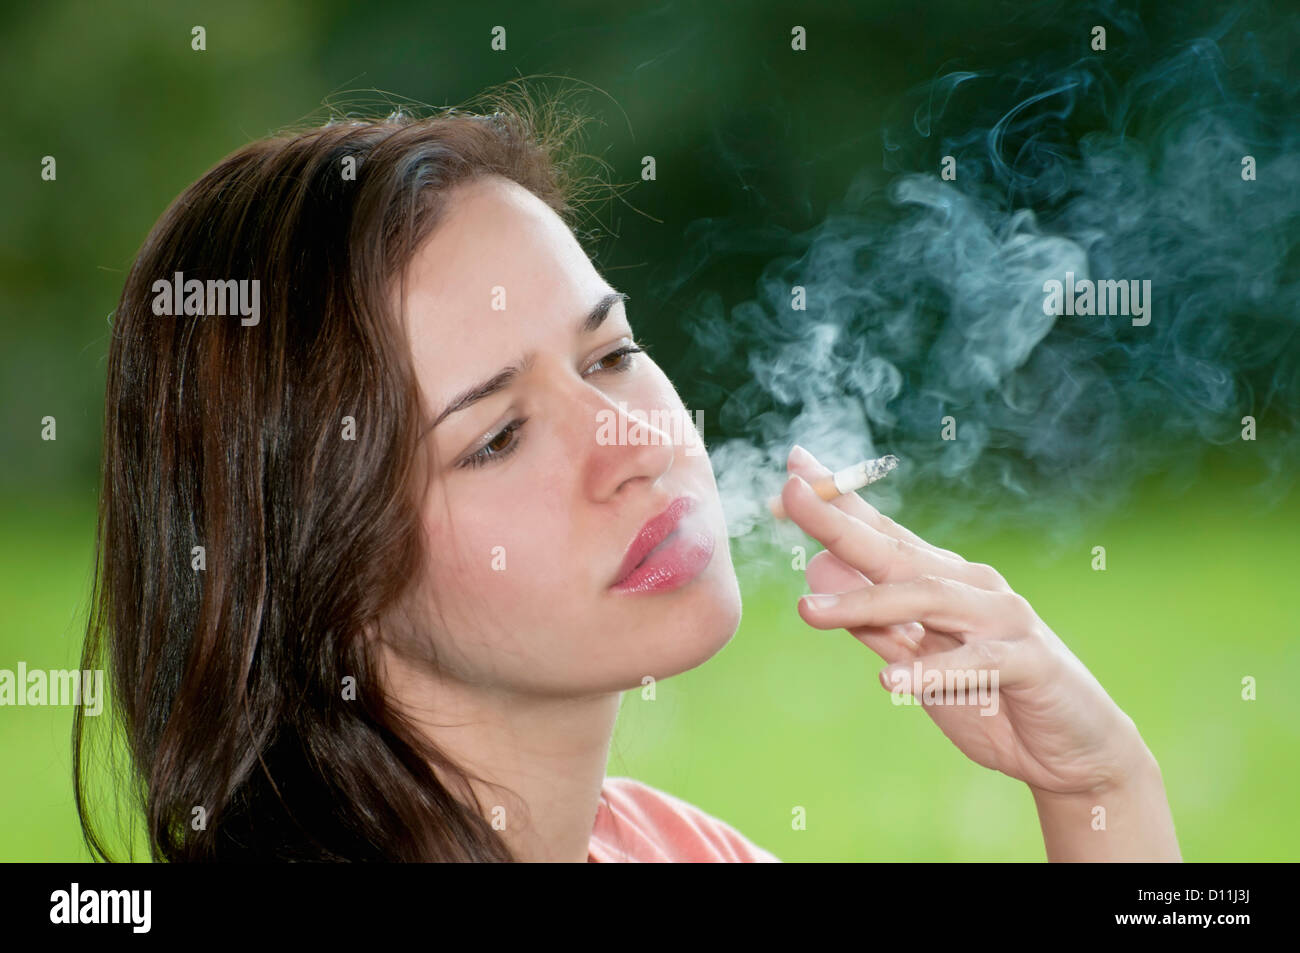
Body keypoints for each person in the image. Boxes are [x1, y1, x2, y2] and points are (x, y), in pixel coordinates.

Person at [75, 88, 1181, 863]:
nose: (637, 441)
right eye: (496, 435)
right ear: (329, 578)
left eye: (609, 354)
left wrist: (1094, 789)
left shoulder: (664, 844)